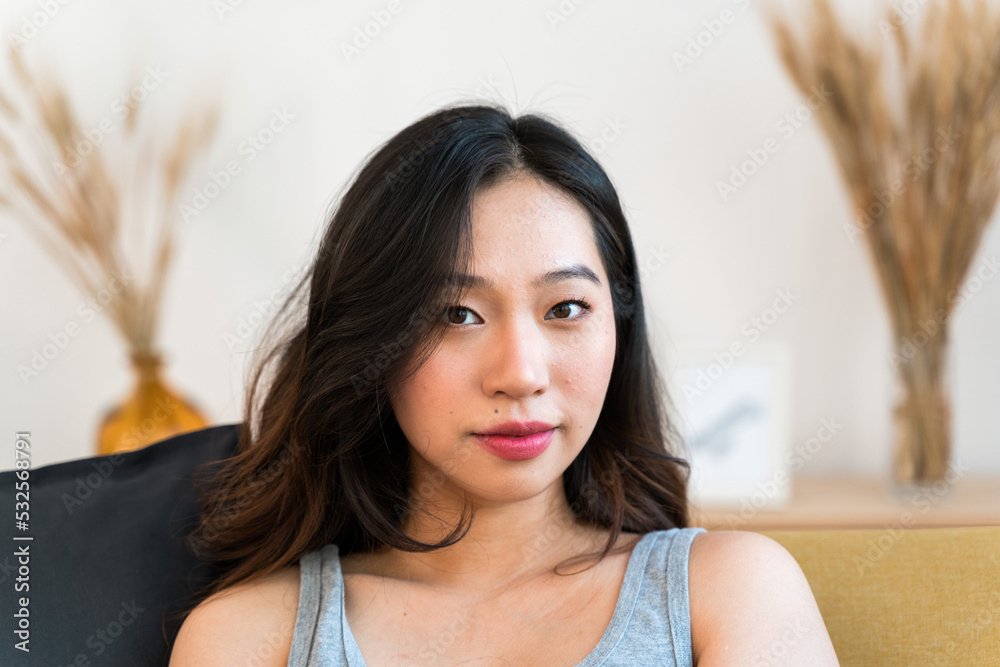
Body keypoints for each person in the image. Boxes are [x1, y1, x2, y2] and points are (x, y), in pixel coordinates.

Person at [169, 103, 839, 665]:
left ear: (619, 327)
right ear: (372, 340)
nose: (520, 372)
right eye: (456, 314)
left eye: (565, 308)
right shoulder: (249, 637)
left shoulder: (727, 591)